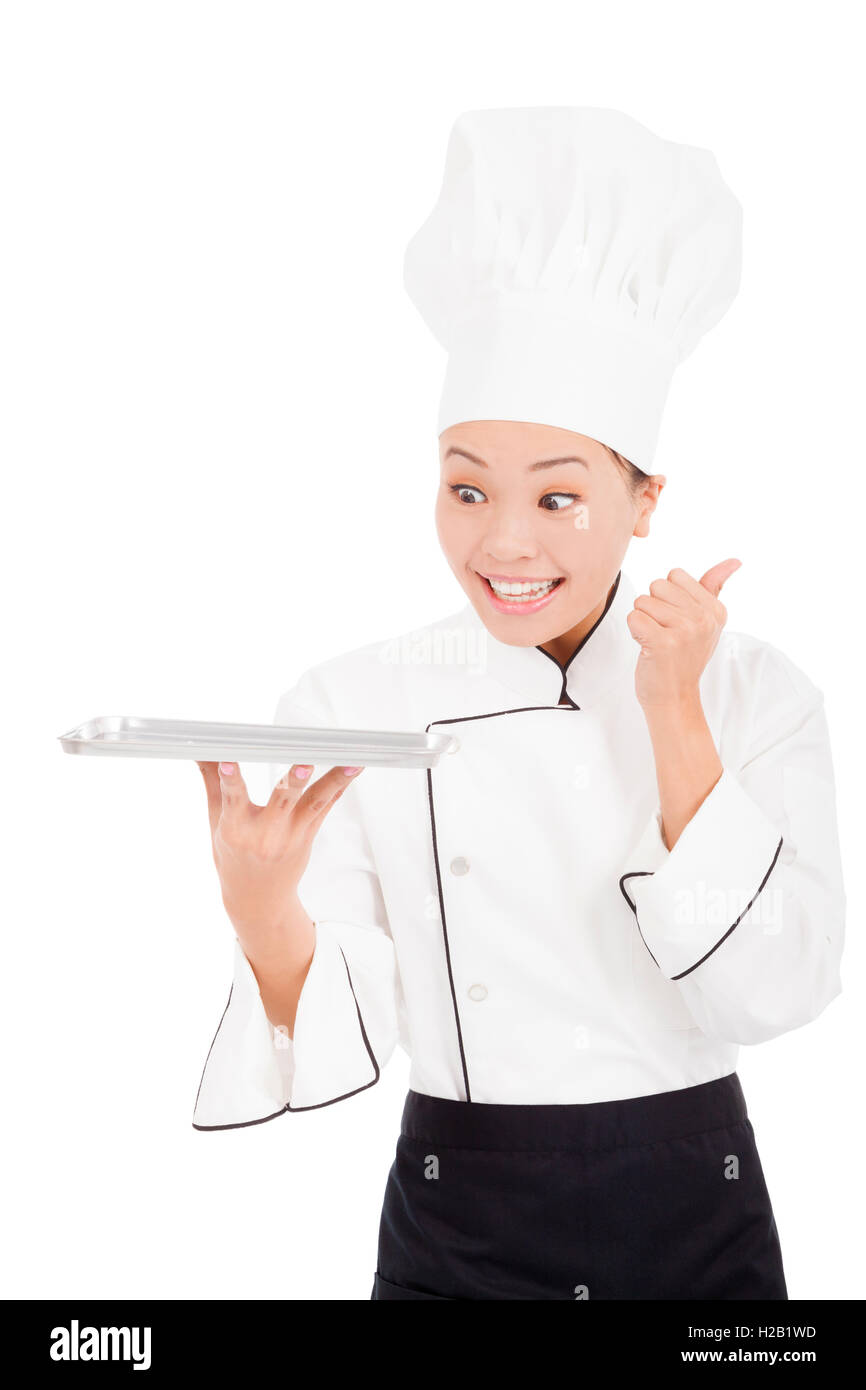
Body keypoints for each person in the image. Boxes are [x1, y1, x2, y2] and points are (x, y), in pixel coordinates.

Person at [192, 108, 846, 1300]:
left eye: (557, 499)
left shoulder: (754, 690)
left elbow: (778, 990)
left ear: (644, 499)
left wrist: (672, 709)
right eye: (464, 488)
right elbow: (348, 1016)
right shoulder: (351, 700)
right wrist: (258, 900)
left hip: (691, 1206)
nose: (500, 542)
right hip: (461, 1213)